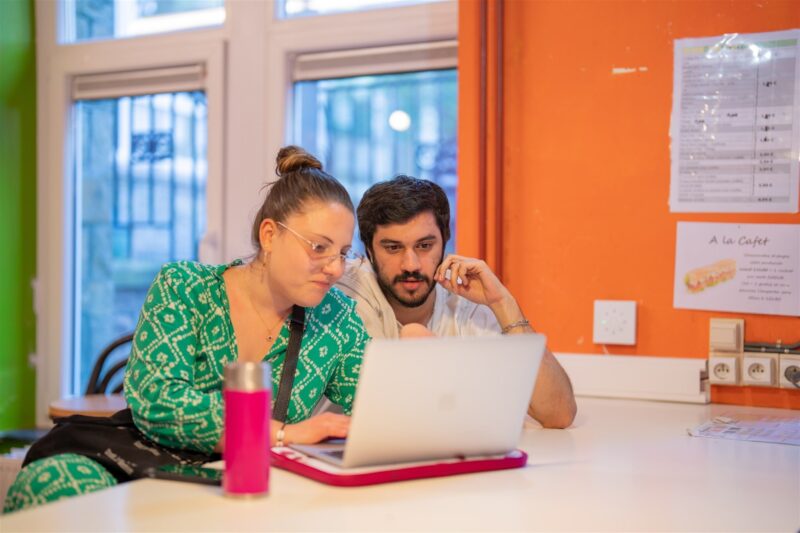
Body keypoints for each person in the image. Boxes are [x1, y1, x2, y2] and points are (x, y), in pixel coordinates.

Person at [4, 146, 369, 513]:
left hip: (245, 487)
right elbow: (156, 398)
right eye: (319, 247)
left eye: (343, 253)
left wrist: (418, 354)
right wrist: (281, 434)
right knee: (52, 489)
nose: (335, 268)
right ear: (271, 235)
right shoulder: (184, 286)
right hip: (136, 463)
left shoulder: (337, 318)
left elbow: (378, 409)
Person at [336, 175, 576, 429]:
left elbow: (558, 414)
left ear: (444, 243)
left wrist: (502, 302)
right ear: (369, 251)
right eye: (393, 248)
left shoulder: (466, 300)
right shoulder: (344, 294)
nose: (411, 265)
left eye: (425, 245)